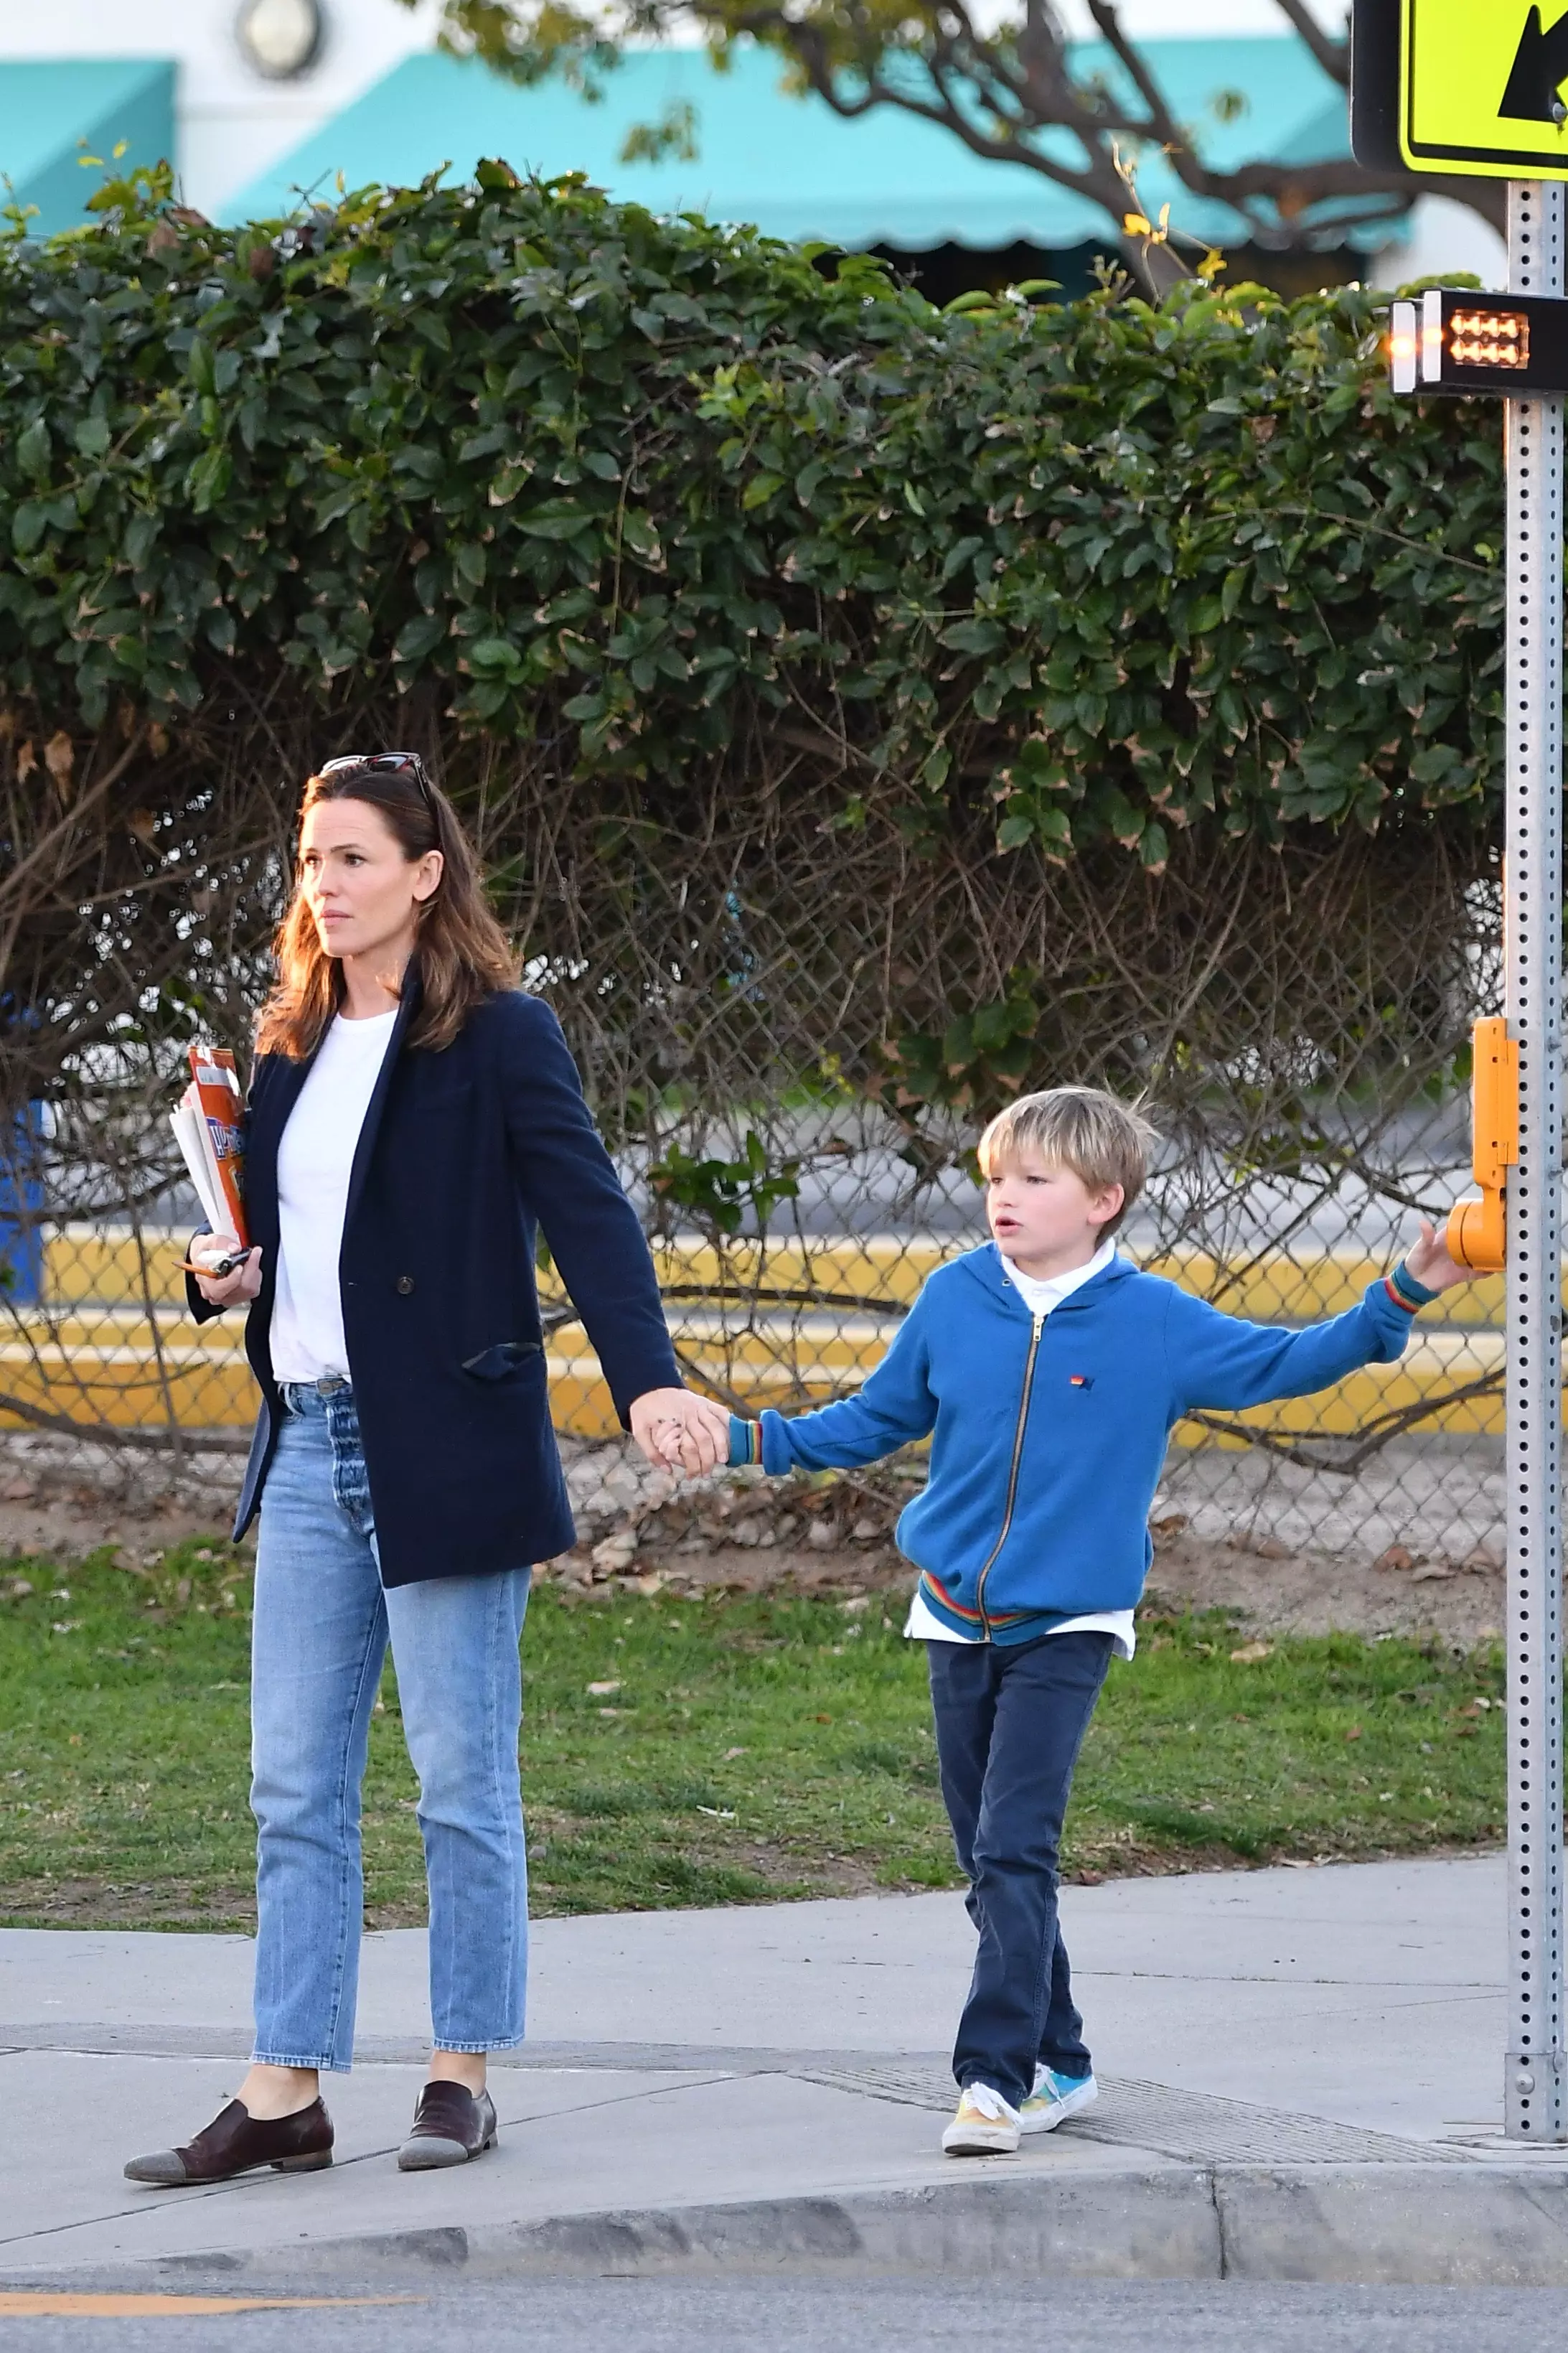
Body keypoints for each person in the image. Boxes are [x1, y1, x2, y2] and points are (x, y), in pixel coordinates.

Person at [125, 752, 728, 2189]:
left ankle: (460, 2070)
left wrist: (645, 1378)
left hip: (445, 1446)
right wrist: (224, 1277)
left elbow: (589, 1212)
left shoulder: (503, 1036)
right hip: (314, 1441)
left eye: (350, 859)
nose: (322, 885)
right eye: (309, 860)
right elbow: (284, 1249)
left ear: (425, 874)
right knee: (292, 1787)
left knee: (460, 1781)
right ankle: (285, 2088)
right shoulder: (286, 1045)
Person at [720, 1085, 1474, 2155]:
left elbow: (1290, 1361)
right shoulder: (952, 1298)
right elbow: (873, 1419)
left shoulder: (1153, 1322)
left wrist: (1411, 1284)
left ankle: (994, 2078)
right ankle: (1063, 2055)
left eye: (1034, 1179)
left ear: (1104, 1199)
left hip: (1068, 1623)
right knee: (988, 1862)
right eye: (995, 1178)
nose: (1004, 1198)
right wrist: (747, 1440)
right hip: (951, 1616)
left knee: (1015, 1844)